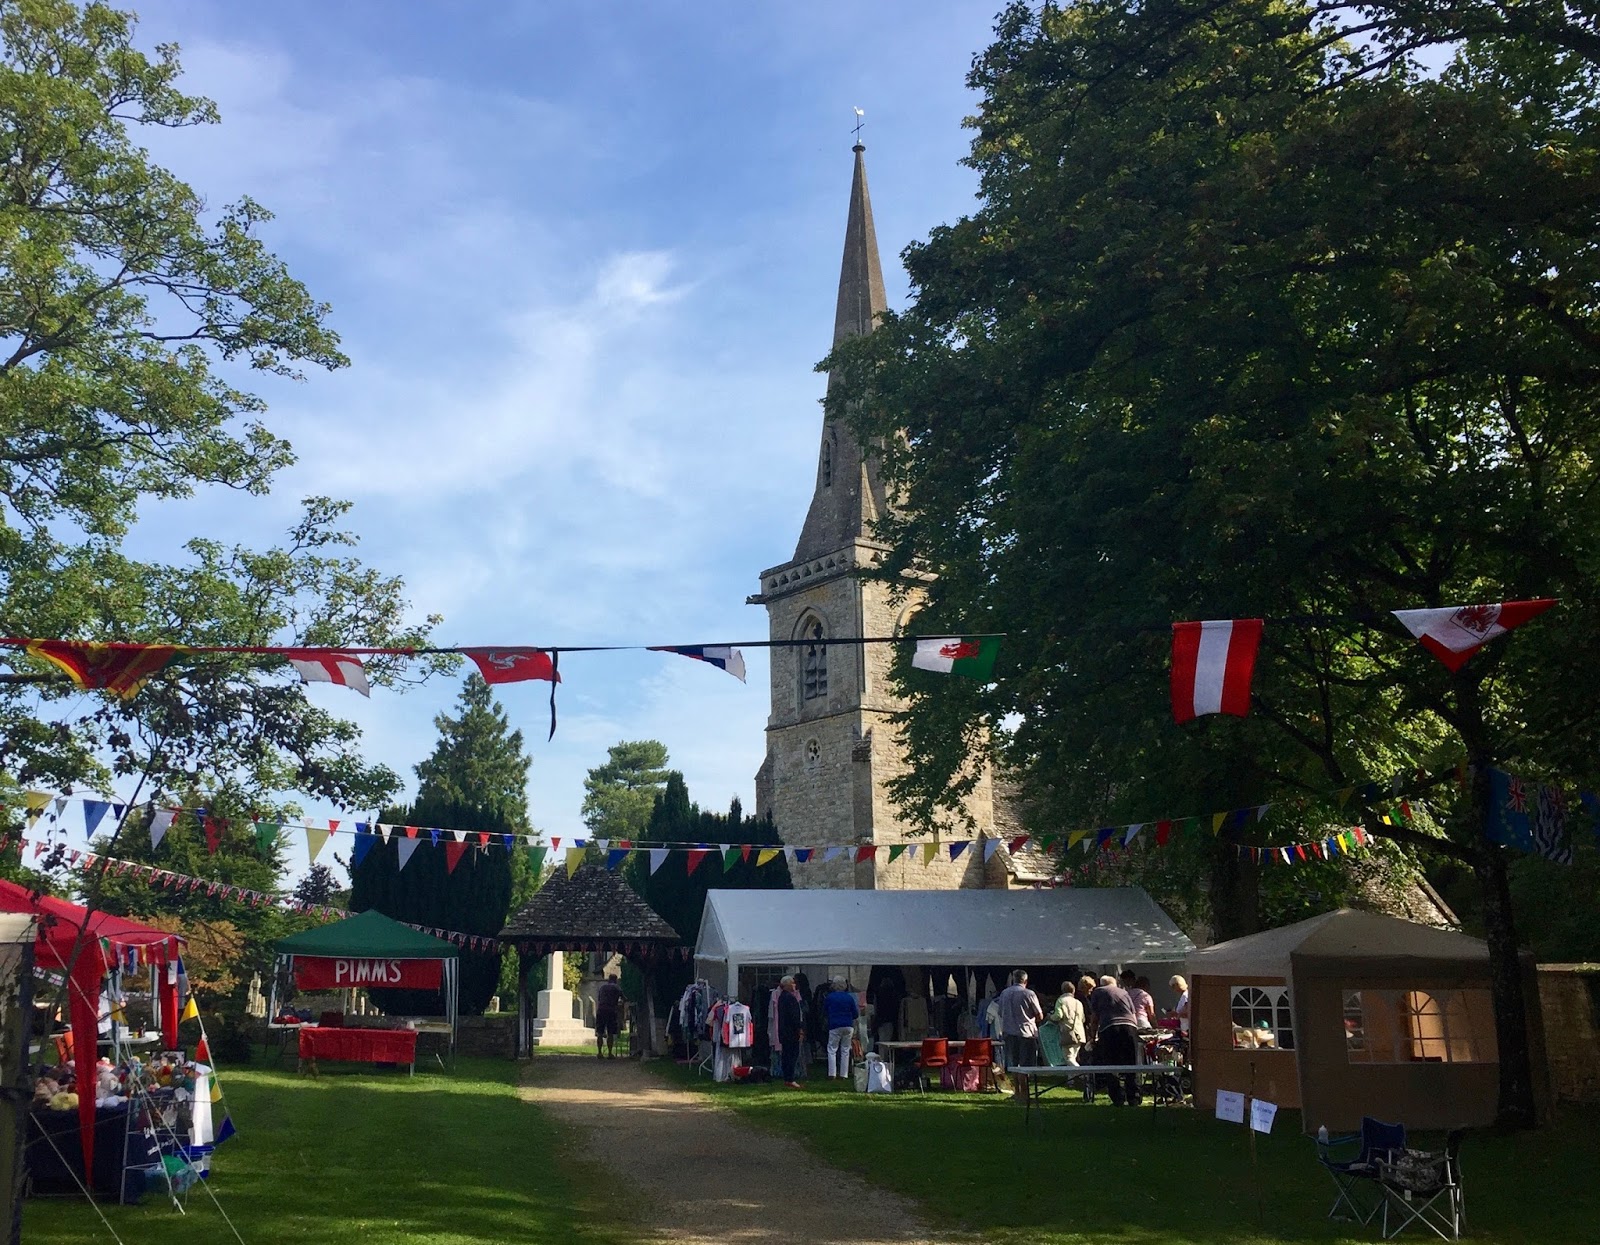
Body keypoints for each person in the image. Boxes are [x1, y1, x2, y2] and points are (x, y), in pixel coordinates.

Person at [1089, 974, 1142, 1106]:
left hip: (1109, 1027)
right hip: (1129, 1027)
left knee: (1111, 1062)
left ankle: (1118, 1097)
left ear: (1101, 984)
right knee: (1132, 1061)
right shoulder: (1124, 992)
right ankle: (1134, 1097)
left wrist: (1093, 1036)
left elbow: (1095, 1016)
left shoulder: (1098, 992)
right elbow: (1133, 1014)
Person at [996, 969, 1044, 1090]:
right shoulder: (1029, 994)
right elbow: (1039, 1015)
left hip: (1009, 1032)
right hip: (1026, 1033)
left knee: (1014, 1065)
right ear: (1025, 980)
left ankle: (1017, 1091)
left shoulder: (1004, 993)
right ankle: (1025, 1091)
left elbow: (1000, 1012)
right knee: (1026, 1065)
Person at [823, 977, 859, 1079]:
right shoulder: (849, 997)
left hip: (834, 1025)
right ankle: (844, 1074)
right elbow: (855, 1014)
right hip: (848, 1025)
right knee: (845, 1050)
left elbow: (824, 1010)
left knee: (832, 1049)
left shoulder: (830, 997)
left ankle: (832, 1073)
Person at [1049, 979, 1086, 1065]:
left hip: (1067, 1033)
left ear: (1062, 990)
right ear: (1073, 991)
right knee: (1073, 1057)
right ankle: (1073, 1078)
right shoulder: (1078, 1003)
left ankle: (1082, 1074)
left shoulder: (1061, 1001)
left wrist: (1050, 1017)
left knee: (1068, 1058)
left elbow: (1058, 1016)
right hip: (1079, 1033)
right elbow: (1083, 1019)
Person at [777, 975, 805, 1088]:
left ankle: (787, 1078)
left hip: (784, 1030)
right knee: (792, 1055)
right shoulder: (790, 998)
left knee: (786, 1055)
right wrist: (800, 1029)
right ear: (787, 985)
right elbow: (794, 1016)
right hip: (791, 1031)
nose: (794, 985)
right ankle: (790, 1078)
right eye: (792, 983)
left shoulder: (782, 997)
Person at [595, 973, 625, 1059]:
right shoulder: (617, 988)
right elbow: (624, 998)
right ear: (615, 980)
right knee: (610, 1033)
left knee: (600, 1032)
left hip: (601, 1010)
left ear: (608, 979)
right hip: (611, 1010)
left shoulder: (602, 987)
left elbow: (600, 999)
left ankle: (599, 1052)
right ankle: (610, 1053)